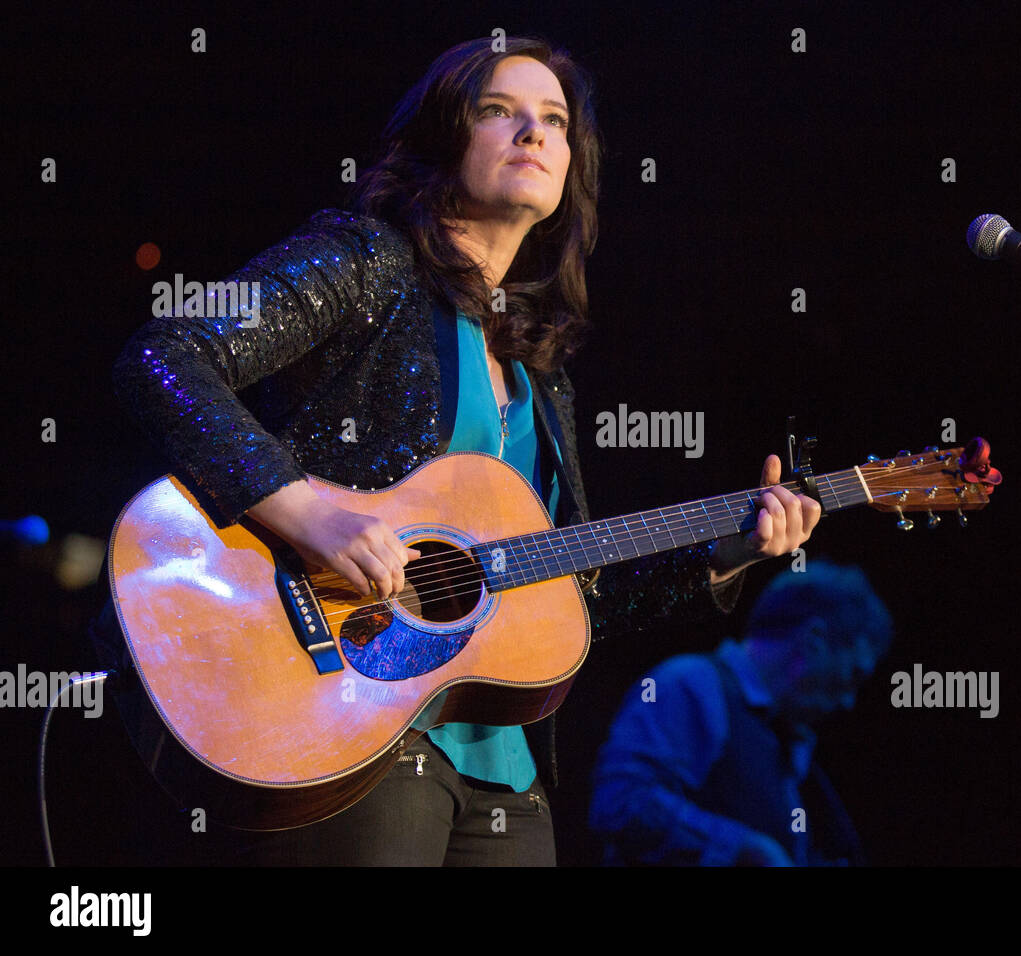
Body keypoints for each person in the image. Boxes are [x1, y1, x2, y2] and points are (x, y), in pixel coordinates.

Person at [95, 35, 821, 866]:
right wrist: (312, 517)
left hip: (504, 775)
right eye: (498, 111)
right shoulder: (367, 261)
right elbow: (162, 358)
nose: (535, 133)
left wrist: (728, 550)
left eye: (554, 120)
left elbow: (568, 598)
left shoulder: (541, 374)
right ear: (445, 136)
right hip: (352, 721)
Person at [589, 560, 892, 866]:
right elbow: (620, 800)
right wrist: (745, 848)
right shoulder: (694, 683)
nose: (848, 701)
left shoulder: (785, 738)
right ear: (813, 640)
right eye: (853, 675)